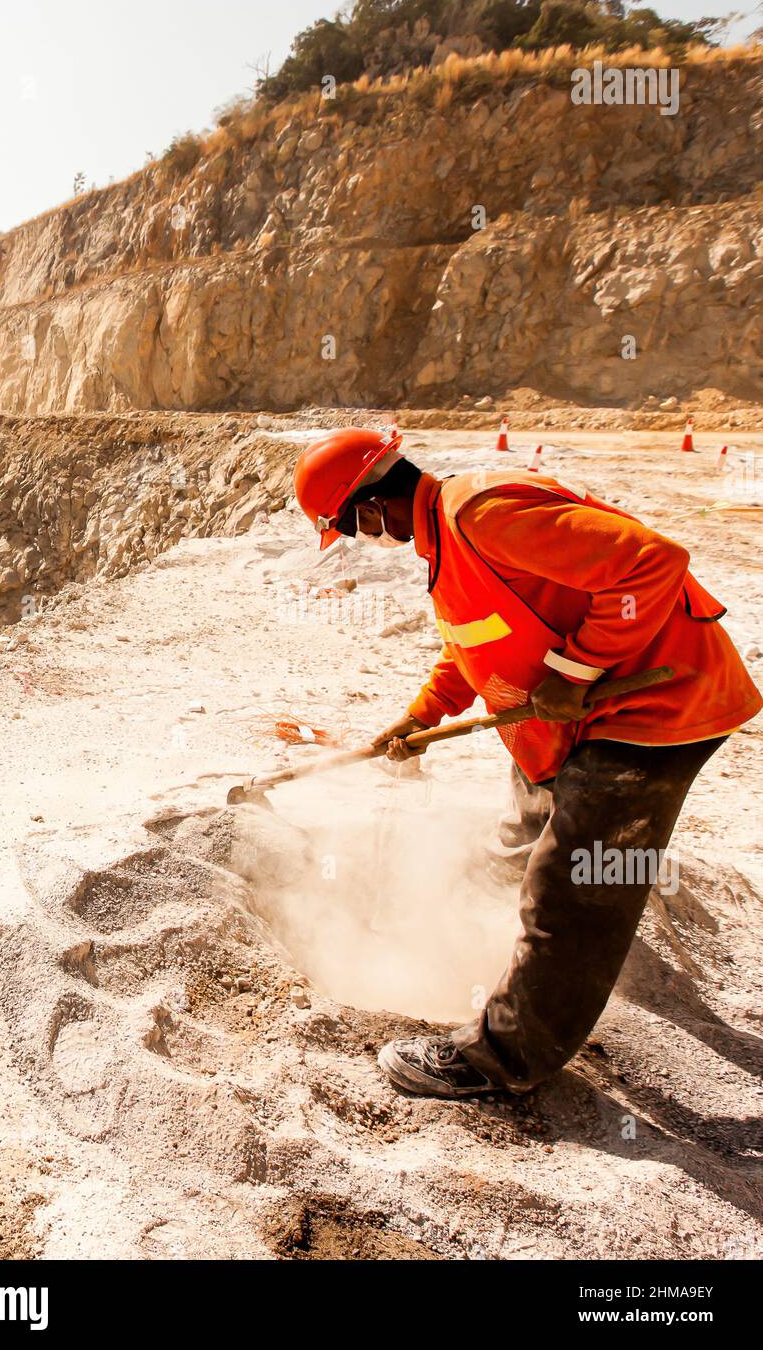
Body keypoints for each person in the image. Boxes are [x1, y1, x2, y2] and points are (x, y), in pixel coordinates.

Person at [293, 426, 762, 1100]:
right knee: (526, 828)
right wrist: (425, 714)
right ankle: (524, 934)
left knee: (572, 886)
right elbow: (477, 640)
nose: (364, 541)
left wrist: (575, 670)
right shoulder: (446, 540)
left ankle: (503, 1058)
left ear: (370, 505)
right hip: (574, 723)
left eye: (353, 528)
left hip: (653, 707)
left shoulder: (483, 514)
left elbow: (653, 561)